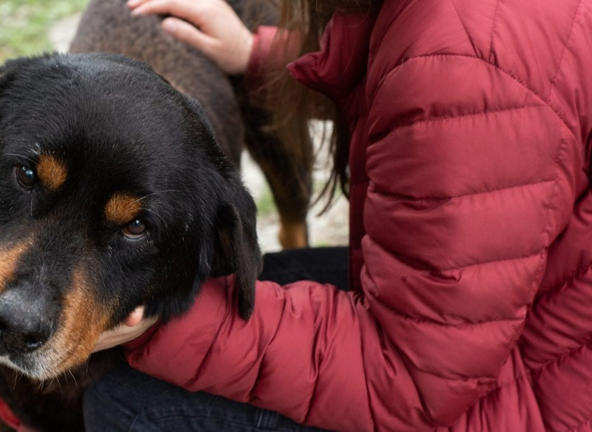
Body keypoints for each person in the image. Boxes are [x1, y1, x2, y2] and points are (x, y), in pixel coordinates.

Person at [84, 0, 592, 431]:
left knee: (126, 404)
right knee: (248, 292)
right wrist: (258, 55)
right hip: (544, 319)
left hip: (538, 396)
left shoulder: (462, 61)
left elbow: (412, 382)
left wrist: (164, 321)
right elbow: (444, 84)